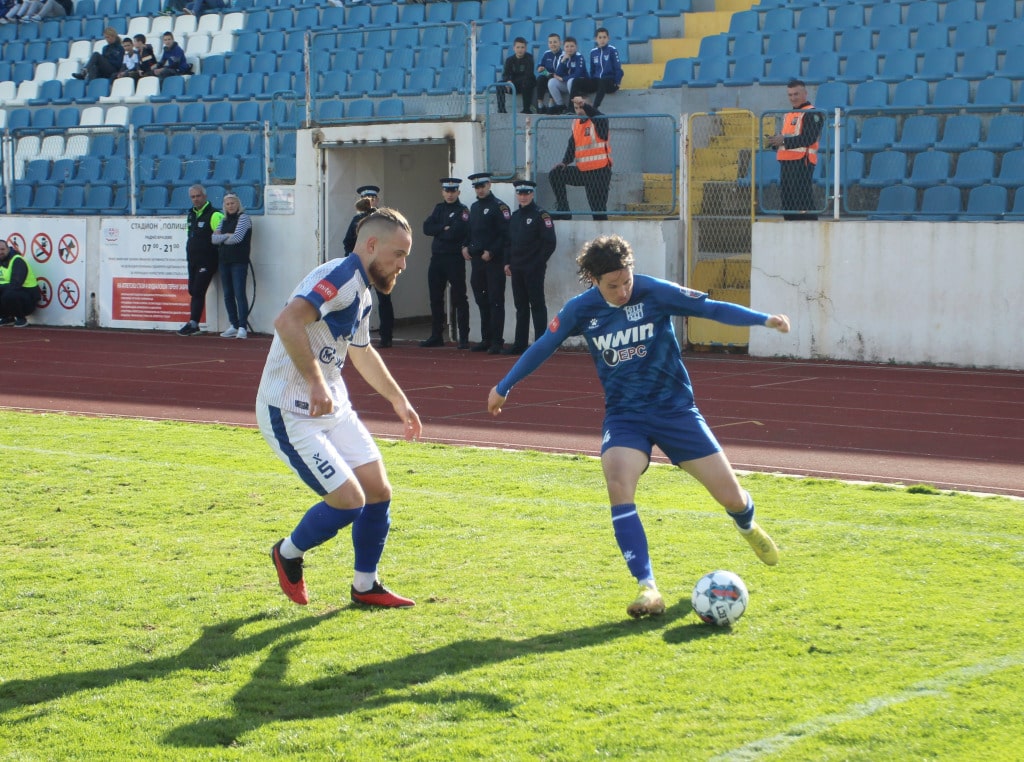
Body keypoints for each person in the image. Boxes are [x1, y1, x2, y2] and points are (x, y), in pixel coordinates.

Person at [487, 234, 790, 618]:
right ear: (593, 281)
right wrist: (504, 385)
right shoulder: (581, 309)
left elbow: (710, 309)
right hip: (625, 417)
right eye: (612, 286)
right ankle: (648, 588)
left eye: (627, 281)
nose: (623, 291)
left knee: (731, 497)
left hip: (676, 412)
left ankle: (747, 526)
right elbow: (543, 346)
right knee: (617, 480)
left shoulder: (654, 291)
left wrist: (763, 319)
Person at [259, 206, 421, 609]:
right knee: (349, 501)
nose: (402, 265)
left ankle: (365, 586)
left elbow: (361, 352)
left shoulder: (362, 289)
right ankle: (288, 553)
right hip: (292, 410)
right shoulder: (341, 277)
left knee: (378, 489)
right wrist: (315, 383)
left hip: (333, 406)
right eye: (398, 254)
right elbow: (287, 321)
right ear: (370, 245)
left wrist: (398, 400)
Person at [502, 179, 556, 355]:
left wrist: (538, 263)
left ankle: (541, 345)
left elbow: (550, 243)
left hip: (533, 269)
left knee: (537, 305)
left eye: (526, 193)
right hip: (517, 268)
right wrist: (507, 262)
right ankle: (520, 344)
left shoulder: (542, 215)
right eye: (520, 193)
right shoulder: (515, 217)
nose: (523, 197)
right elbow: (509, 243)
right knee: (521, 307)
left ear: (532, 194)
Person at [462, 172, 511, 354]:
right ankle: (486, 339)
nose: (480, 190)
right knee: (481, 300)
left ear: (489, 185)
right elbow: (471, 232)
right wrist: (465, 246)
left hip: (494, 261)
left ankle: (497, 341)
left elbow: (505, 235)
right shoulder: (474, 207)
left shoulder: (499, 207)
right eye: (477, 187)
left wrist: (492, 251)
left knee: (495, 301)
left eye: (482, 186)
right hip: (477, 261)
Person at [420, 177, 471, 349]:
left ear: (458, 192)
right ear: (443, 192)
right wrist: (444, 227)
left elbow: (456, 232)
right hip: (437, 259)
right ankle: (436, 335)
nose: (450, 194)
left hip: (454, 259)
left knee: (459, 298)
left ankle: (463, 337)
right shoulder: (439, 208)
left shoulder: (462, 211)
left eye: (453, 191)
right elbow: (426, 228)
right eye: (447, 191)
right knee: (435, 298)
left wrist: (440, 229)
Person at [344, 185, 394, 349]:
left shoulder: (383, 219)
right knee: (356, 300)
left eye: (373, 198)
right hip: (362, 265)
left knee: (384, 300)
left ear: (377, 200)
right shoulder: (356, 220)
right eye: (367, 198)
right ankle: (352, 335)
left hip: (379, 265)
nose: (371, 201)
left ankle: (387, 337)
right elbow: (348, 242)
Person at [765, 79, 822, 221]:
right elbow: (787, 138)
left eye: (796, 94)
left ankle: (810, 230)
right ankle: (791, 229)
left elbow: (808, 138)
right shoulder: (788, 114)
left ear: (805, 94)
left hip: (802, 161)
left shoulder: (812, 113)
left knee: (802, 200)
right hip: (786, 162)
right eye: (790, 95)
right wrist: (774, 142)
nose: (793, 98)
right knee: (788, 200)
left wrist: (783, 140)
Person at [549, 95, 612, 221]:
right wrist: (565, 162)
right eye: (576, 108)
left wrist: (585, 106)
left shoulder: (598, 121)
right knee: (555, 174)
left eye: (581, 107)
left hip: (599, 172)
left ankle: (603, 237)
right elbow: (572, 144)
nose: (579, 111)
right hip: (582, 172)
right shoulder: (576, 123)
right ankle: (563, 209)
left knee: (598, 210)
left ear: (589, 107)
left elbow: (599, 116)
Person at [177, 185, 223, 336]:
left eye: (198, 196)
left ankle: (193, 323)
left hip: (207, 260)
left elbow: (221, 237)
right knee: (192, 290)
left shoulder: (215, 214)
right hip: (193, 259)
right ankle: (194, 323)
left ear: (205, 196)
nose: (196, 199)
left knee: (197, 291)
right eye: (193, 197)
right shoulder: (190, 214)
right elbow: (190, 235)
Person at [211, 192, 253, 340]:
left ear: (238, 204)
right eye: (227, 204)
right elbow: (213, 239)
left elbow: (237, 238)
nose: (230, 206)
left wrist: (224, 237)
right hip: (224, 261)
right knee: (228, 294)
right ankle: (233, 324)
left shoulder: (244, 218)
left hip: (239, 261)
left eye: (233, 203)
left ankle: (242, 327)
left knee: (239, 294)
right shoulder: (223, 220)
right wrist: (226, 236)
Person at [570, 28, 624, 109]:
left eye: (604, 37)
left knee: (602, 81)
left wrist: (617, 81)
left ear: (608, 38)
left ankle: (594, 108)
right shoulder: (593, 52)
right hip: (597, 82)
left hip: (610, 82)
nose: (602, 40)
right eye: (600, 37)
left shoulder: (612, 50)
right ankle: (571, 108)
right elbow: (592, 70)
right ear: (596, 39)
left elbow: (618, 68)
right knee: (576, 81)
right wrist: (590, 81)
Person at [0, 240, 41, 328]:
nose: (0, 252)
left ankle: (21, 318)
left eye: (2, 249)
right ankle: (6, 317)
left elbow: (15, 284)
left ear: (8, 249)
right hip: (11, 296)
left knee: (9, 293)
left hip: (27, 299)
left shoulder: (17, 260)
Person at [546, 36, 586, 115]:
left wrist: (563, 78)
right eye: (567, 46)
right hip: (567, 83)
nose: (569, 48)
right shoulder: (562, 57)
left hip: (579, 84)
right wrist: (563, 61)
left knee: (571, 81)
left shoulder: (579, 57)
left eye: (572, 46)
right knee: (551, 82)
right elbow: (557, 74)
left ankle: (572, 107)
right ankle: (561, 106)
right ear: (563, 47)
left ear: (576, 47)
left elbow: (578, 74)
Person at [496, 36, 536, 115]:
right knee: (500, 84)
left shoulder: (529, 58)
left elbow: (528, 74)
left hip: (525, 83)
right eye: (518, 47)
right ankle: (501, 109)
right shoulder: (509, 60)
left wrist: (512, 82)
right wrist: (508, 81)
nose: (520, 50)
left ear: (526, 48)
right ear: (514, 48)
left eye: (522, 47)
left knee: (526, 82)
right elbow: (505, 74)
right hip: (513, 84)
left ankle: (526, 109)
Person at [534, 32, 562, 114]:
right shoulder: (546, 54)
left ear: (560, 43)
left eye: (555, 42)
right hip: (547, 75)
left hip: (557, 77)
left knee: (552, 79)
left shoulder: (563, 54)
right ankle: (540, 104)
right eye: (550, 42)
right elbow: (540, 65)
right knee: (540, 79)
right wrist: (540, 68)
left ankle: (551, 103)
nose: (553, 44)